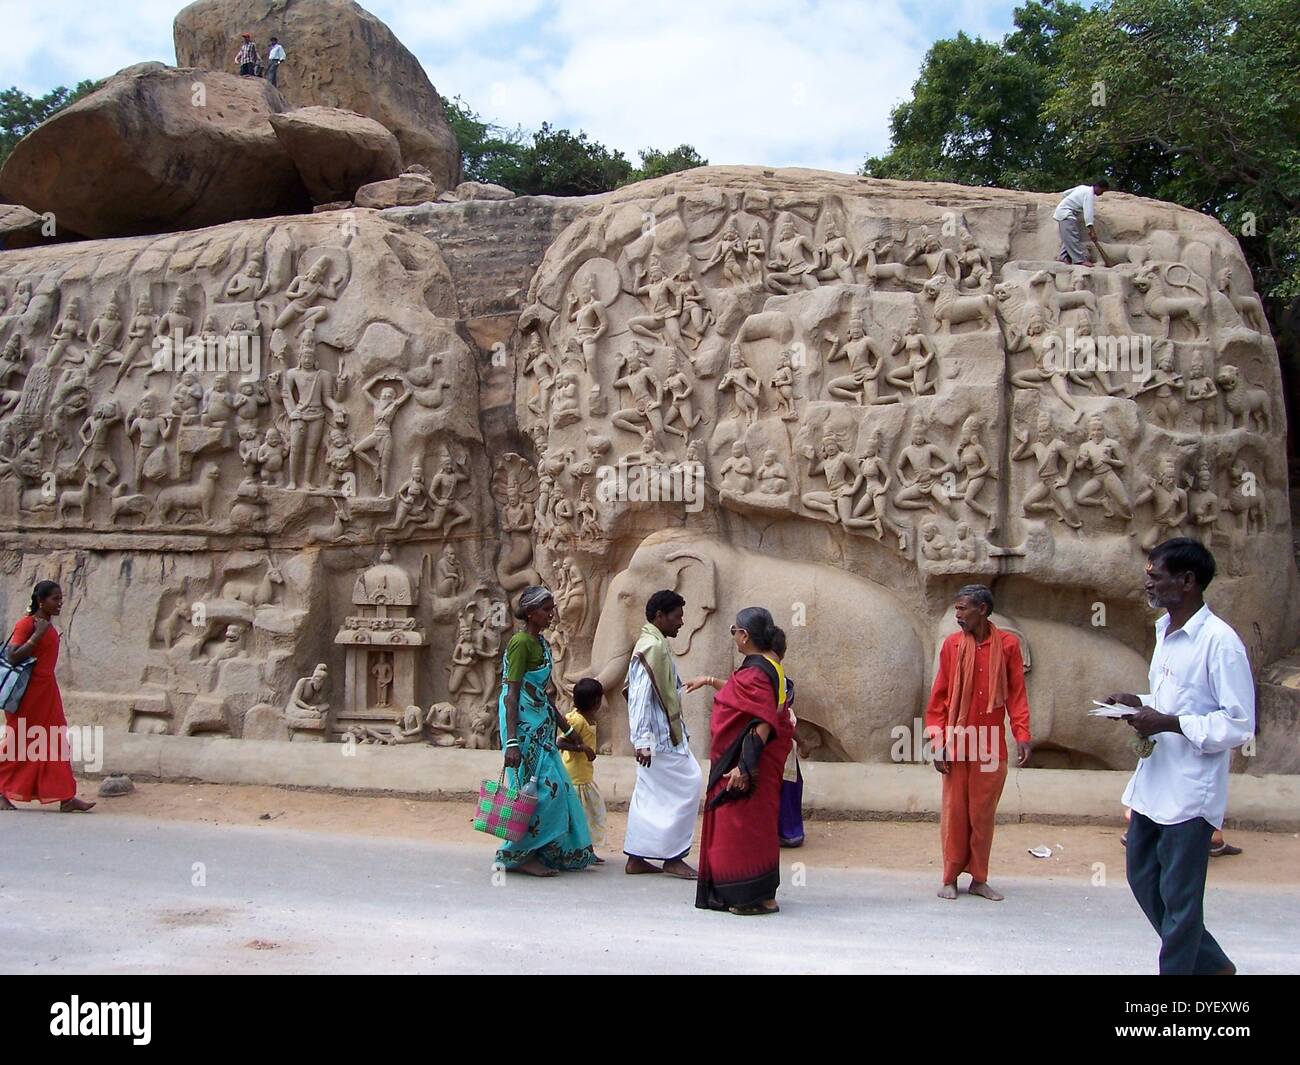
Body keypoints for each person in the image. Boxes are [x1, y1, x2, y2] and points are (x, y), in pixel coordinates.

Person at [1105, 537, 1254, 975]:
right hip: (1155, 781)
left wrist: (1169, 723)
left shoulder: (1219, 642)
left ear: (1187, 581)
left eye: (1156, 576)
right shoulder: (1165, 631)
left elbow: (1238, 724)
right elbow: (1178, 699)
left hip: (1191, 792)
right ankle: (1213, 965)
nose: (1147, 584)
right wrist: (1138, 702)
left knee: (1181, 897)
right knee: (1142, 877)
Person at [924, 584, 1031, 901]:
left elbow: (1016, 695)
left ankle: (979, 879)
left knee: (982, 814)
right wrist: (938, 741)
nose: (957, 615)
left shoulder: (1009, 645)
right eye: (955, 608)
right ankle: (949, 877)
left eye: (962, 608)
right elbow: (939, 700)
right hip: (957, 742)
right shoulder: (952, 647)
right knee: (955, 812)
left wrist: (1022, 735)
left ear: (982, 610)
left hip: (990, 744)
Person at [690, 607, 794, 915]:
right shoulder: (764, 667)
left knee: (741, 828)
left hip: (748, 764)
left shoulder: (759, 670)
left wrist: (745, 766)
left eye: (734, 631)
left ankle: (749, 896)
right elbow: (745, 697)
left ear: (745, 635)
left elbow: (762, 720)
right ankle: (760, 895)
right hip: (756, 760)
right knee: (754, 827)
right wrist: (709, 681)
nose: (733, 636)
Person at [497, 586, 595, 877]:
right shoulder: (520, 644)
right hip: (523, 726)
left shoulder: (540, 643)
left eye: (551, 608)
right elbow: (511, 695)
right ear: (530, 613)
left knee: (557, 787)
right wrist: (512, 742)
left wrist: (566, 727)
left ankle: (552, 850)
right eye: (546, 609)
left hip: (540, 722)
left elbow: (542, 692)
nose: (552, 614)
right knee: (535, 790)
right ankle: (517, 854)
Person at [623, 590, 703, 878]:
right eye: (677, 617)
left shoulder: (654, 643)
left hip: (659, 736)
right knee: (690, 783)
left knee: (648, 793)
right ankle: (672, 856)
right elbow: (640, 697)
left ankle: (636, 856)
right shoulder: (652, 647)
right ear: (660, 616)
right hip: (659, 739)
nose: (681, 623)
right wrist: (642, 741)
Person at [0, 581, 95, 812]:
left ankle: (65, 797)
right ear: (40, 601)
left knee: (56, 742)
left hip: (47, 693)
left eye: (61, 597)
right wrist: (36, 636)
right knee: (21, 743)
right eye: (55, 598)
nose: (60, 602)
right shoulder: (27, 624)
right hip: (26, 697)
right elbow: (13, 656)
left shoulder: (47, 625)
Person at [562, 678, 607, 862]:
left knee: (588, 815)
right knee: (582, 816)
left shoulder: (585, 719)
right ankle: (580, 851)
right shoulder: (577, 721)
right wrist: (583, 748)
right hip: (576, 779)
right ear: (596, 702)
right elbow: (560, 742)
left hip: (584, 777)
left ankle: (586, 850)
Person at [772, 629, 804, 848]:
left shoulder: (758, 673)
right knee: (789, 786)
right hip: (782, 746)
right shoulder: (778, 676)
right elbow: (785, 716)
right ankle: (789, 831)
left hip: (772, 743)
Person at [1053, 179, 1109, 265]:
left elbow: (1065, 193)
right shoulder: (1089, 195)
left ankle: (1063, 258)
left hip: (1063, 212)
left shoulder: (1082, 188)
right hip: (1066, 213)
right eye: (1102, 191)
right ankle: (1079, 260)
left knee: (1068, 237)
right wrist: (1092, 231)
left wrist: (1070, 203)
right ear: (1097, 187)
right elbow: (1088, 214)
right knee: (1073, 237)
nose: (1101, 194)